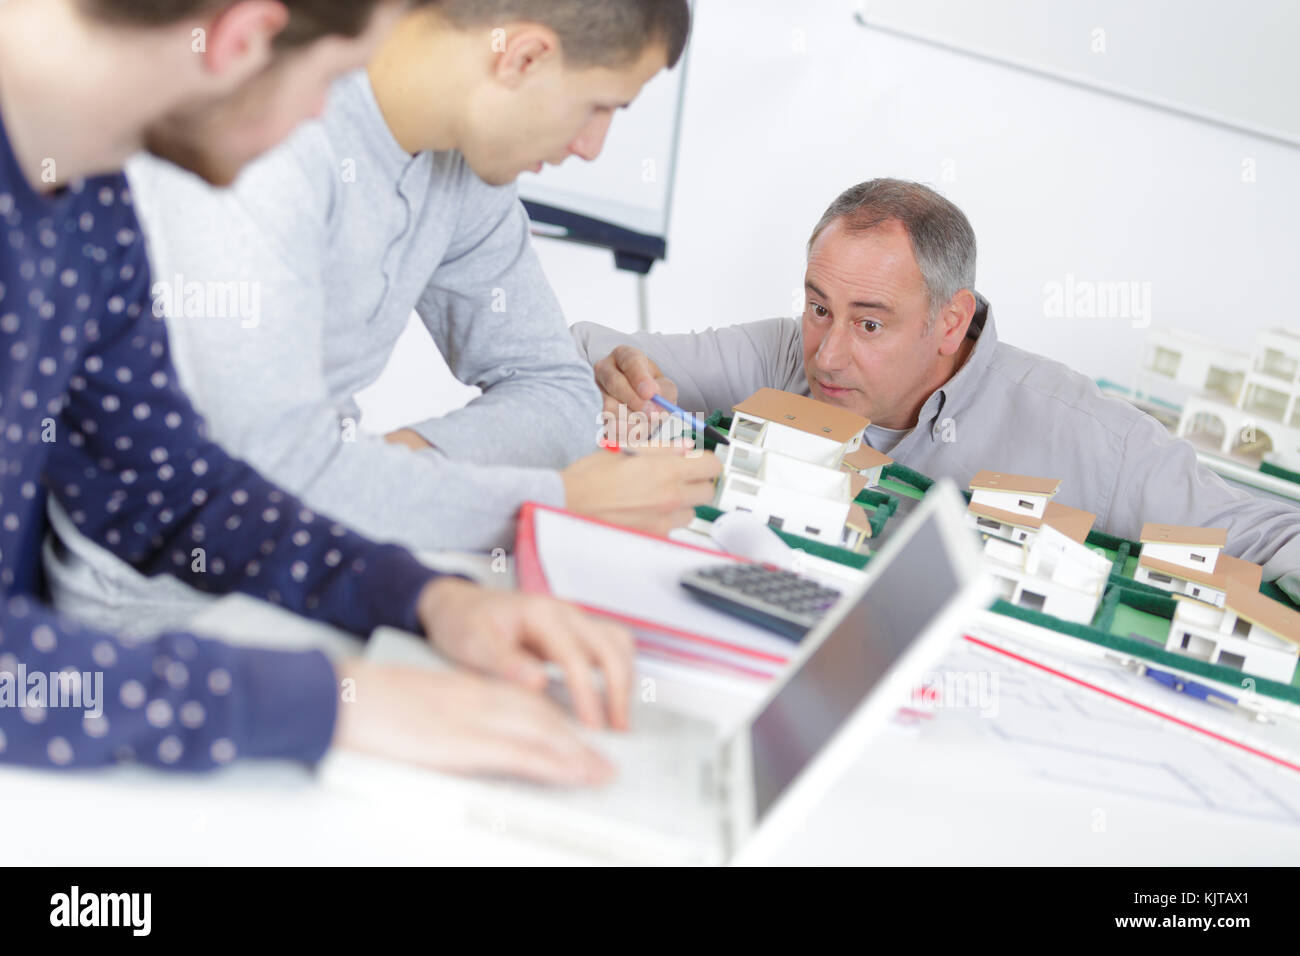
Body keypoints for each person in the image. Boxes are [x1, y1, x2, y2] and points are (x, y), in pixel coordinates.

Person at [0, 0, 636, 785]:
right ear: (245, 38)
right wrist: (331, 704)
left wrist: (425, 598)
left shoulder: (88, 191)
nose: (327, 115)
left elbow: (172, 487)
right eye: (334, 77)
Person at [45, 0, 719, 638]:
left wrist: (382, 471)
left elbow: (558, 391)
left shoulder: (466, 168)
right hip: (163, 610)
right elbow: (267, 484)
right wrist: (547, 500)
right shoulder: (269, 130)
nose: (593, 147)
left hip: (327, 561)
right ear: (524, 58)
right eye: (601, 106)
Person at [575, 178, 1300, 596]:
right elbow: (580, 350)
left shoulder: (1088, 439)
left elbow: (1275, 536)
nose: (824, 355)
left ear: (951, 322)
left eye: (869, 325)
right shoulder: (777, 352)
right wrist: (613, 375)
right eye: (818, 306)